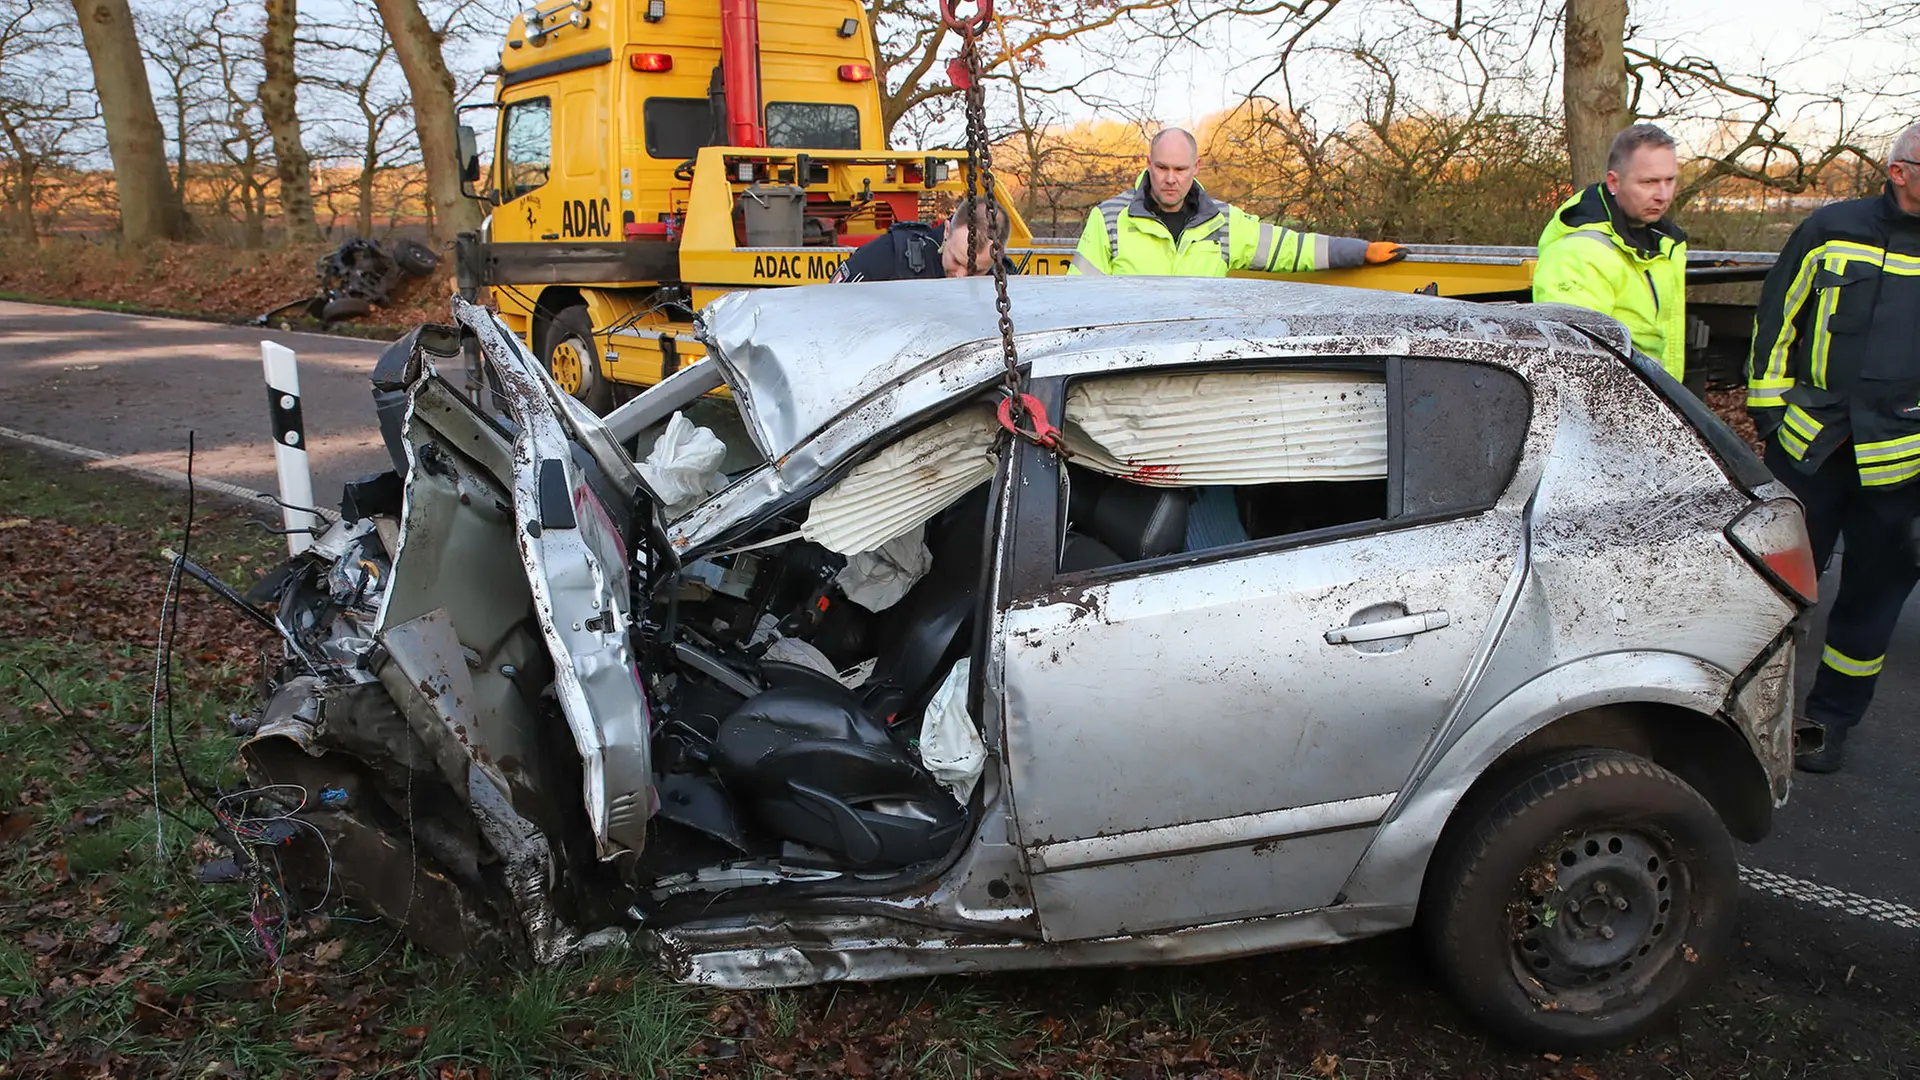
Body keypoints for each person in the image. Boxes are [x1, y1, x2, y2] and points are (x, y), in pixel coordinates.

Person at [1747, 122, 1920, 773]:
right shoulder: (1831, 229)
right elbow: (1776, 319)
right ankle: (1746, 713)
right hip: (1809, 449)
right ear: (1899, 171)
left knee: (1871, 604)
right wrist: (1769, 417)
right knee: (1772, 590)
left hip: (1903, 466)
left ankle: (1828, 724)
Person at [1068, 128, 1405, 277]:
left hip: (1194, 367)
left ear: (1196, 167)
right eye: (1162, 167)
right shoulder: (1109, 219)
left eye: (1180, 169)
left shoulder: (1223, 224)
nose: (1170, 178)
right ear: (1148, 164)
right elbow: (1079, 299)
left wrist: (1359, 251)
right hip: (1126, 371)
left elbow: (1290, 249)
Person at [1533, 124, 1689, 381]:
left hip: (1653, 399)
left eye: (1669, 180)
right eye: (1649, 182)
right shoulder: (1579, 253)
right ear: (1614, 182)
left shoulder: (1663, 244)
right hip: (1617, 402)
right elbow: (1576, 367)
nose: (1663, 195)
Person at [829, 196, 1011, 282]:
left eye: (976, 271)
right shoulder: (889, 255)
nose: (960, 277)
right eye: (956, 260)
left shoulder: (1006, 281)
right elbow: (833, 302)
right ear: (947, 231)